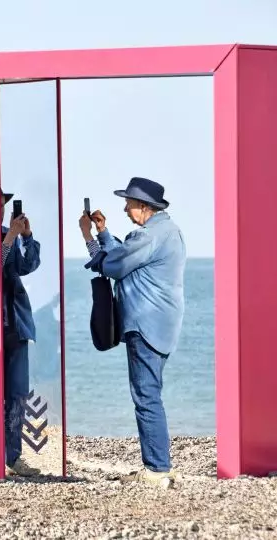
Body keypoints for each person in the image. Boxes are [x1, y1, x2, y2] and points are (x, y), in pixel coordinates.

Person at [78, 177, 186, 487]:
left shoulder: (150, 234)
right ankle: (160, 464)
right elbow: (124, 255)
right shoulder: (166, 231)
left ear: (143, 206)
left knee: (146, 395)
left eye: (128, 203)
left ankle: (157, 469)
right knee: (150, 392)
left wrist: (88, 236)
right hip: (161, 323)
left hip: (145, 324)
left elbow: (114, 265)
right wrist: (102, 231)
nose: (125, 208)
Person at [0, 188, 42, 476]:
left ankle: (13, 457)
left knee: (17, 394)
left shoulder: (8, 233)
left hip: (16, 322)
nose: (1, 210)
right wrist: (10, 238)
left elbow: (28, 266)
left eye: (2, 205)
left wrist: (26, 236)